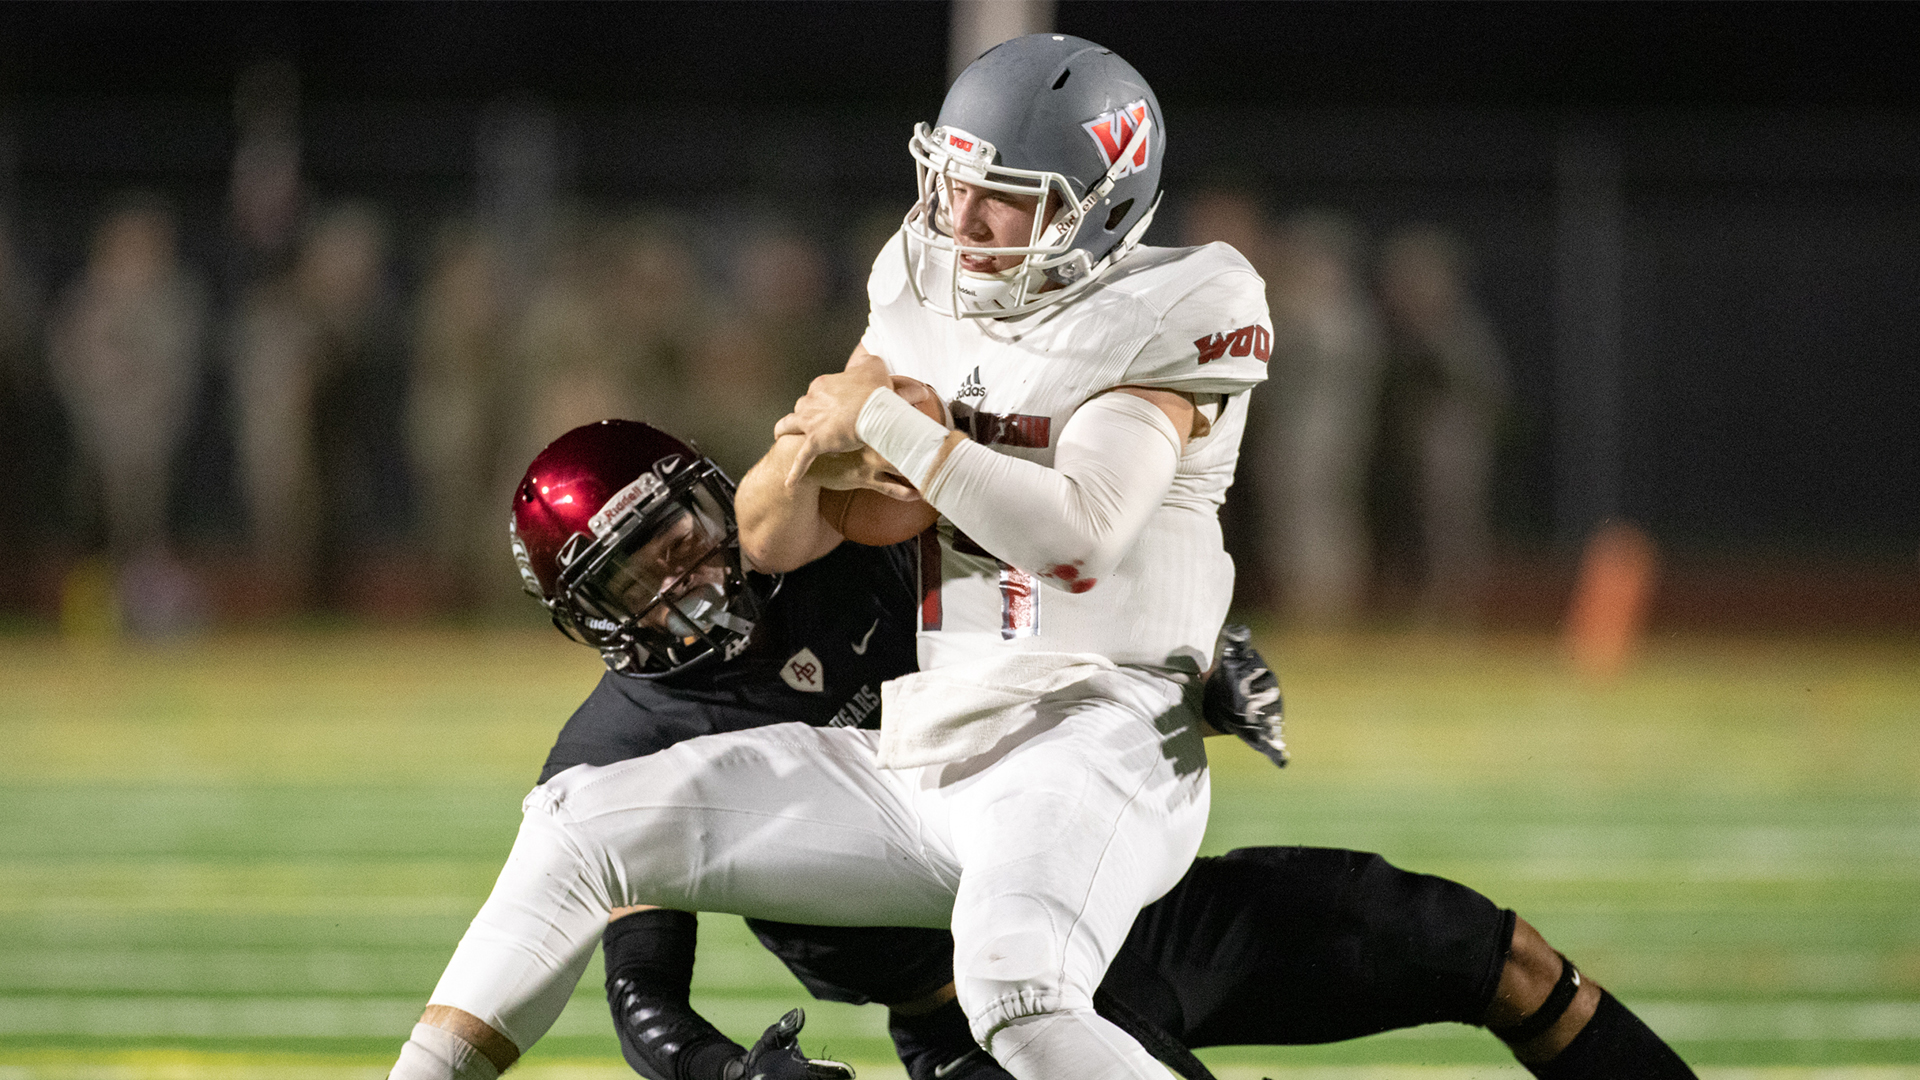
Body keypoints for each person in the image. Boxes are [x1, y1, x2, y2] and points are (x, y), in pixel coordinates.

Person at [401, 419, 1692, 1080]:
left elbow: (1066, 589)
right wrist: (719, 1070)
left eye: (680, 532)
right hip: (975, 1016)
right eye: (636, 574)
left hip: (1134, 910)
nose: (683, 574)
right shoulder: (619, 755)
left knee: (1493, 954)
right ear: (594, 620)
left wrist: (1193, 658)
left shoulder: (852, 543)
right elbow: (643, 991)